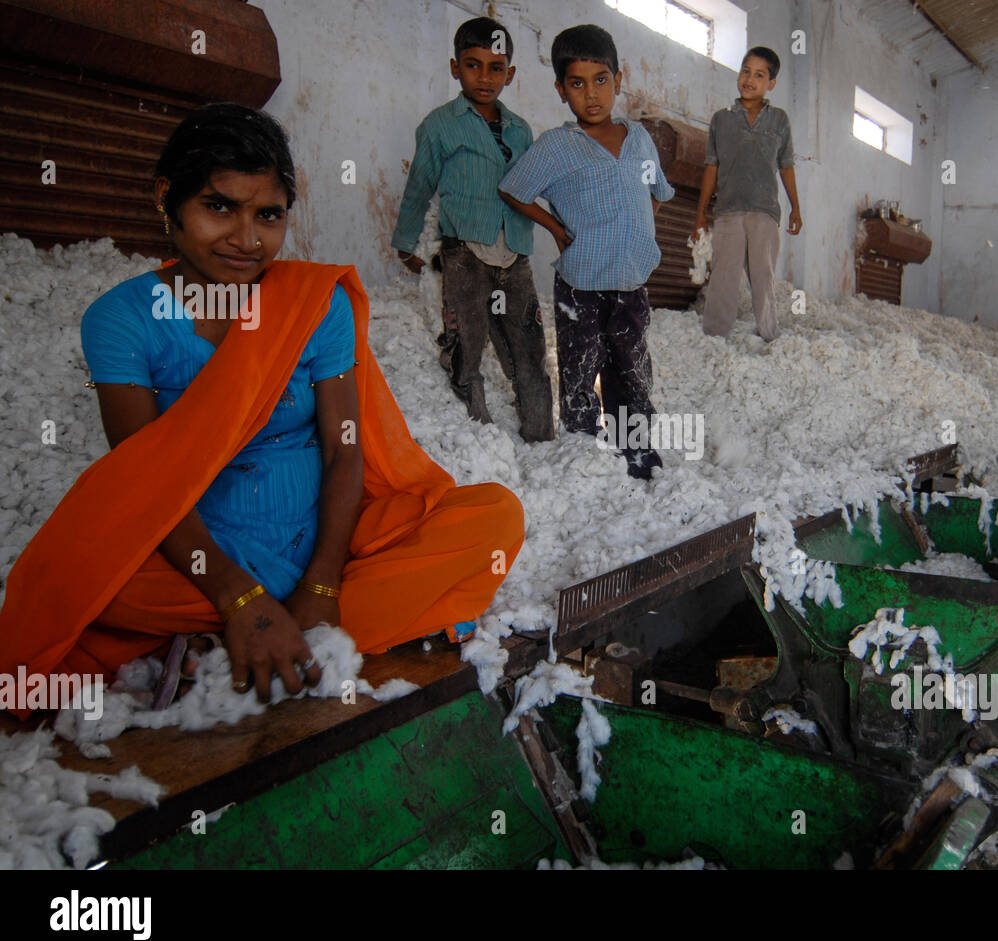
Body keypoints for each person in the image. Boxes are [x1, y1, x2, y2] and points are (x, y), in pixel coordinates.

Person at [0, 103, 524, 711]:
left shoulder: (311, 302)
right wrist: (237, 598)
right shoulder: (122, 320)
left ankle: (246, 635)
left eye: (267, 215)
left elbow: (343, 449)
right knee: (74, 583)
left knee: (494, 515)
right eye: (218, 207)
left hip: (325, 539)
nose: (246, 239)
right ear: (166, 198)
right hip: (199, 554)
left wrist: (323, 581)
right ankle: (271, 627)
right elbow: (144, 486)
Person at [498, 24, 674, 480]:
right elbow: (513, 189)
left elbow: (655, 191)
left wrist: (634, 233)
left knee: (631, 366)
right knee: (580, 368)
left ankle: (636, 453)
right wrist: (555, 227)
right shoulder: (557, 147)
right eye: (577, 83)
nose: (591, 94)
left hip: (632, 284)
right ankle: (582, 454)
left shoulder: (639, 140)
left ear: (619, 79)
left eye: (601, 80)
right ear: (561, 90)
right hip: (579, 285)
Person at [391, 17, 554, 441]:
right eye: (473, 65)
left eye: (496, 68)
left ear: (510, 74)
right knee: (468, 339)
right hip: (464, 251)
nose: (485, 77)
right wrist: (405, 242)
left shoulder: (521, 130)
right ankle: (477, 435)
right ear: (454, 68)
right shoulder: (439, 126)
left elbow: (529, 186)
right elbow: (420, 186)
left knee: (527, 343)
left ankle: (539, 432)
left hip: (514, 251)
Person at [693, 45, 802, 341]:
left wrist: (795, 207)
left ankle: (768, 332)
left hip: (764, 211)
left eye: (759, 75)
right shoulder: (721, 119)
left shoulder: (779, 120)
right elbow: (711, 168)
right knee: (723, 277)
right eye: (745, 71)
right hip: (728, 211)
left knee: (762, 276)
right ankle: (715, 336)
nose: (749, 79)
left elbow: (787, 166)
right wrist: (701, 212)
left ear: (771, 84)